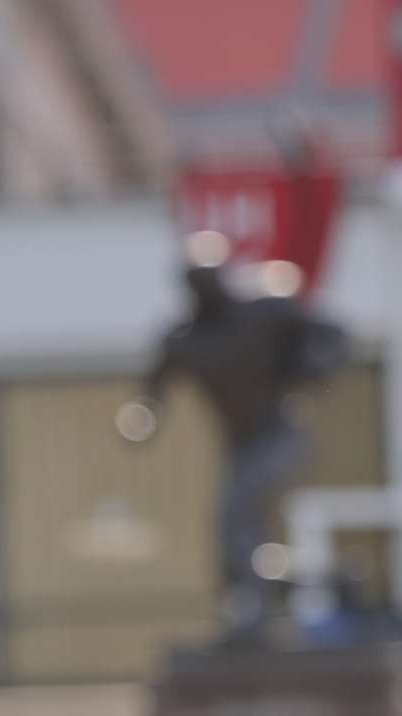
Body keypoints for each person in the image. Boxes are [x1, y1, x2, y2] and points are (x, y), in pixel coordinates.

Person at [139, 260, 348, 640]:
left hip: (281, 436)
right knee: (232, 531)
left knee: (235, 515)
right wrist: (143, 419)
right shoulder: (188, 340)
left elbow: (330, 331)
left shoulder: (262, 314)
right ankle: (293, 589)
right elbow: (152, 391)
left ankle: (257, 608)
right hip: (240, 447)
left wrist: (318, 363)